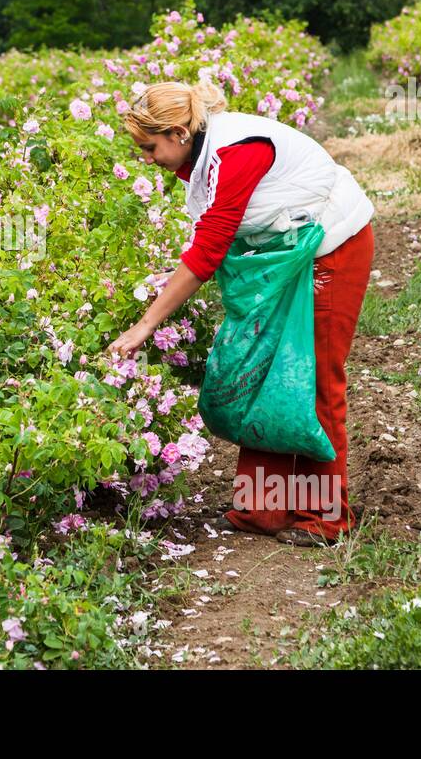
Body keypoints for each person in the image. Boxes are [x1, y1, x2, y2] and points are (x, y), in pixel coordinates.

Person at [105, 79, 375, 547]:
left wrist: (145, 324)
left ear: (177, 133)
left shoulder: (239, 152)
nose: (145, 159)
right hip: (284, 256)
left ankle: (325, 517)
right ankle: (263, 510)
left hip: (330, 249)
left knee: (311, 376)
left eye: (149, 147)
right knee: (263, 370)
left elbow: (209, 250)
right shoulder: (201, 154)